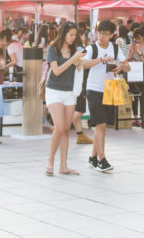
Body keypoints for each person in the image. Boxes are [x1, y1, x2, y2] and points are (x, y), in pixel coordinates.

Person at [82, 19, 128, 172]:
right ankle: (102, 159)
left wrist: (120, 66)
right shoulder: (91, 48)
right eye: (99, 34)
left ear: (112, 35)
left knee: (101, 126)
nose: (101, 37)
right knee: (100, 124)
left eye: (105, 34)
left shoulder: (115, 48)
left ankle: (93, 158)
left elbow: (127, 66)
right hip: (93, 89)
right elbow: (83, 64)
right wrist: (101, 59)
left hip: (109, 89)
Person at [44, 22, 85, 176]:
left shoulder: (75, 50)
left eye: (75, 35)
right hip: (54, 91)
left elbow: (79, 68)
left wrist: (79, 63)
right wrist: (73, 59)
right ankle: (50, 160)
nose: (74, 38)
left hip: (70, 92)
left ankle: (63, 166)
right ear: (63, 34)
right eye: (71, 35)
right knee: (60, 127)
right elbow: (56, 71)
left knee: (66, 130)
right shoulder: (53, 49)